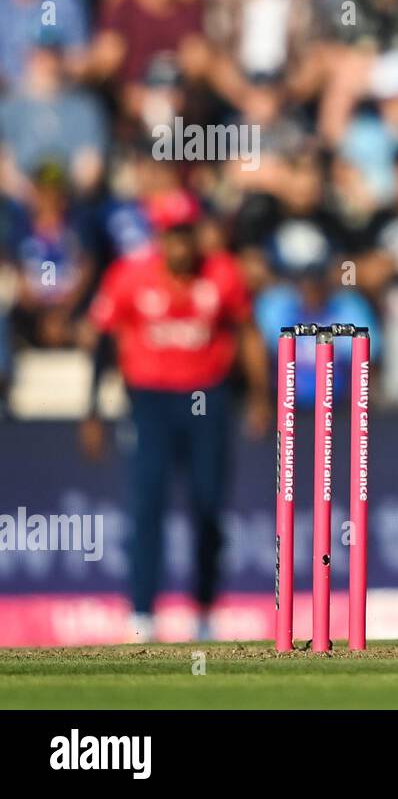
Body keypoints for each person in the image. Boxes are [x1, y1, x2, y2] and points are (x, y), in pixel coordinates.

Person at [81, 190, 269, 642]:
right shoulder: (129, 275)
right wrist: (91, 410)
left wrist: (261, 395)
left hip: (208, 398)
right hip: (149, 401)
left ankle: (204, 613)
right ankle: (142, 614)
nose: (180, 246)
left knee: (208, 504)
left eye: (186, 234)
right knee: (147, 503)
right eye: (172, 235)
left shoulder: (222, 274)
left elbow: (246, 334)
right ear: (159, 236)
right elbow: (104, 341)